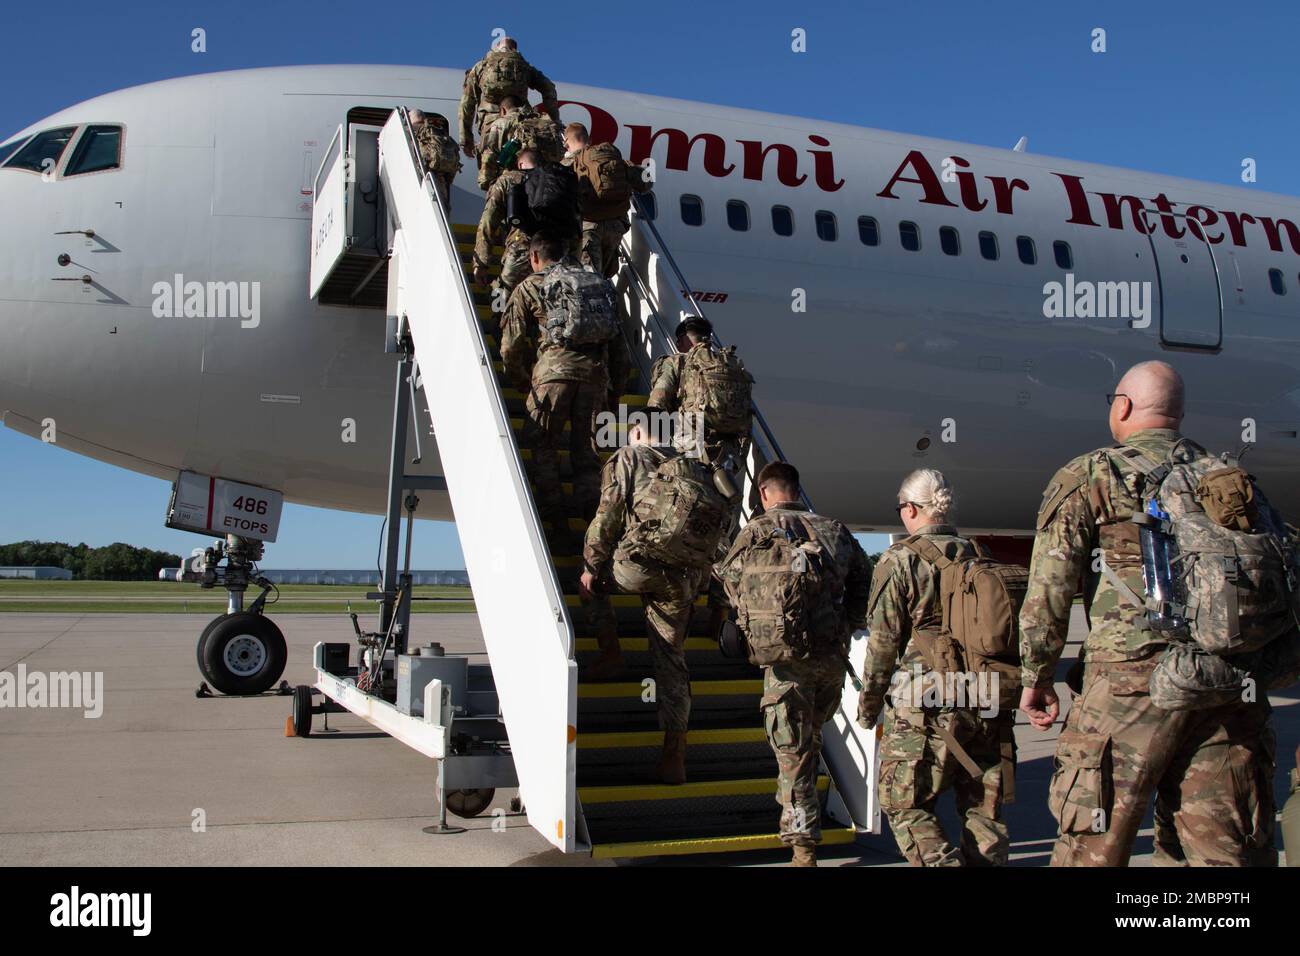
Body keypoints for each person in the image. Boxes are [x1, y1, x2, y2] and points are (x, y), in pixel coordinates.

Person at [1020, 360, 1279, 866]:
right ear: (1178, 414)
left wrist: (1037, 675)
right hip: (1226, 679)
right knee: (1226, 848)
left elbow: (1049, 589)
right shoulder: (1229, 479)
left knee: (1092, 846)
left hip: (1130, 686)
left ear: (1123, 407)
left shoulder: (1092, 473)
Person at [715, 461, 871, 866]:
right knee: (810, 742)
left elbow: (731, 584)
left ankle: (803, 849)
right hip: (831, 661)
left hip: (786, 666)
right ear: (797, 490)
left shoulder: (755, 533)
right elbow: (864, 585)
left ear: (765, 493)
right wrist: (848, 625)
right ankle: (803, 824)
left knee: (794, 754)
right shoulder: (835, 530)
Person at [857, 469, 1016, 866]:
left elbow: (882, 644)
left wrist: (869, 706)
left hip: (924, 702)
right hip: (984, 695)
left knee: (903, 802)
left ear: (911, 508)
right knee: (983, 807)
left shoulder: (899, 559)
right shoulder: (978, 553)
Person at [579, 422, 730, 783]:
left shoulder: (628, 458)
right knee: (671, 660)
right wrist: (716, 601)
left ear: (635, 433)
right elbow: (722, 535)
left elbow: (607, 516)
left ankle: (611, 652)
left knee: (593, 583)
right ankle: (674, 756)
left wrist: (590, 565)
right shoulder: (697, 468)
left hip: (637, 567)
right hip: (684, 578)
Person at [500, 233, 630, 543]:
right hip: (595, 376)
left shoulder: (530, 286)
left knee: (544, 448)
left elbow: (510, 347)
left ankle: (557, 525)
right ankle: (590, 529)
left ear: (534, 257)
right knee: (587, 454)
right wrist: (615, 389)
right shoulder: (596, 282)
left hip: (552, 375)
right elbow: (618, 344)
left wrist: (521, 381)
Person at [648, 316, 754, 637]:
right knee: (726, 538)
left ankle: (685, 608)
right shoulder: (730, 365)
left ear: (683, 339)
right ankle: (720, 617)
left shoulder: (677, 363)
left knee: (688, 533)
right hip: (730, 462)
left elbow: (656, 406)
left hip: (693, 461)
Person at [473, 148, 580, 300]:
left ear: (521, 164)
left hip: (522, 250)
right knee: (555, 302)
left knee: (503, 300)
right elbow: (575, 220)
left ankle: (499, 320)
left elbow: (488, 223)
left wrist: (481, 264)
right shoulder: (558, 180)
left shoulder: (509, 179)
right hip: (558, 252)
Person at [562, 122, 653, 277]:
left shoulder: (567, 165)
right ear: (589, 139)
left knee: (590, 278)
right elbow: (647, 182)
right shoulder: (612, 160)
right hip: (615, 227)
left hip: (589, 227)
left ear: (566, 144)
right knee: (603, 273)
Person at [458, 37, 558, 168]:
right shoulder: (524, 67)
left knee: (492, 170)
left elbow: (467, 104)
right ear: (515, 48)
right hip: (521, 123)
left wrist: (466, 140)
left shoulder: (481, 67)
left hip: (491, 126)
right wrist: (554, 119)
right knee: (522, 165)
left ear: (496, 47)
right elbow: (549, 88)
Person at [478, 96, 563, 191]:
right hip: (548, 180)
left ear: (503, 110)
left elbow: (490, 152)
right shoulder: (542, 120)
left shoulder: (502, 123)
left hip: (517, 180)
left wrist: (485, 182)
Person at [409, 110, 460, 212]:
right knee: (441, 211)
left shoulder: (412, 131)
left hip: (425, 178)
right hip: (441, 181)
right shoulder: (438, 132)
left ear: (411, 119)